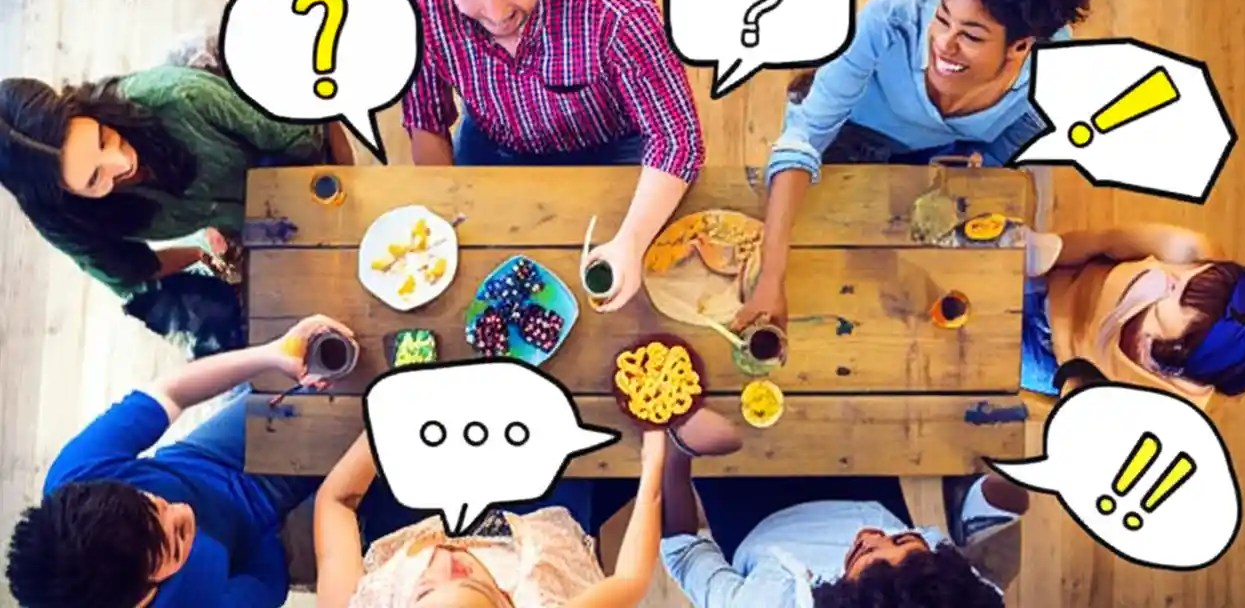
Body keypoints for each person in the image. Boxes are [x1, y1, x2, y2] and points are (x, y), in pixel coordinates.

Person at [734, 0, 1107, 334]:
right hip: (849, 135)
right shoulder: (892, 19)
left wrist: (976, 173)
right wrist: (771, 277)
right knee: (822, 266)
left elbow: (1017, 139)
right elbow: (803, 138)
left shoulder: (1055, 70)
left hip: (942, 155)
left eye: (971, 36)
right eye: (943, 18)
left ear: (1020, 46)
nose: (944, 44)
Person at [400, 0, 704, 312]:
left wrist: (631, 243)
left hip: (610, 146)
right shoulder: (415, 4)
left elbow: (675, 137)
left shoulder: (614, 1)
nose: (496, 13)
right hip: (492, 142)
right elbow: (426, 122)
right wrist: (443, 222)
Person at [0, 66, 354, 356]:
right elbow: (132, 274)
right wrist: (200, 255)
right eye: (94, 178)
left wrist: (342, 209)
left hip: (296, 166)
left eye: (103, 139)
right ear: (66, 196)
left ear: (79, 112)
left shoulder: (180, 97)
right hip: (244, 224)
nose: (122, 162)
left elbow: (304, 134)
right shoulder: (65, 218)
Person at [4, 314, 353, 608]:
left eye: (155, 500)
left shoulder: (78, 475)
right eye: (178, 536)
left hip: (212, 457)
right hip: (264, 539)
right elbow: (269, 580)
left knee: (330, 371)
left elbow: (168, 392)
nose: (183, 510)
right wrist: (329, 499)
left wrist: (272, 354)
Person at [313, 429, 665, 607]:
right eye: (468, 578)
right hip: (534, 518)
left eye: (425, 591)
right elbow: (631, 579)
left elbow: (336, 501)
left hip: (420, 511)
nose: (447, 561)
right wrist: (655, 462)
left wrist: (388, 422)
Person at [659, 442, 1027, 607]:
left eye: (860, 552)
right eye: (902, 541)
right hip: (862, 487)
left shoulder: (763, 602)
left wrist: (677, 450)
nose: (866, 537)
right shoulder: (952, 593)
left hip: (749, 507)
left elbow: (683, 551)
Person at [1021, 224, 1245, 406]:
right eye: (1192, 276)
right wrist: (1040, 255)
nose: (1174, 280)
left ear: (1179, 352)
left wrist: (1072, 388)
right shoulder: (1191, 251)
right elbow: (1104, 241)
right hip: (1053, 285)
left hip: (1053, 362)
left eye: (1177, 295)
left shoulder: (1168, 404)